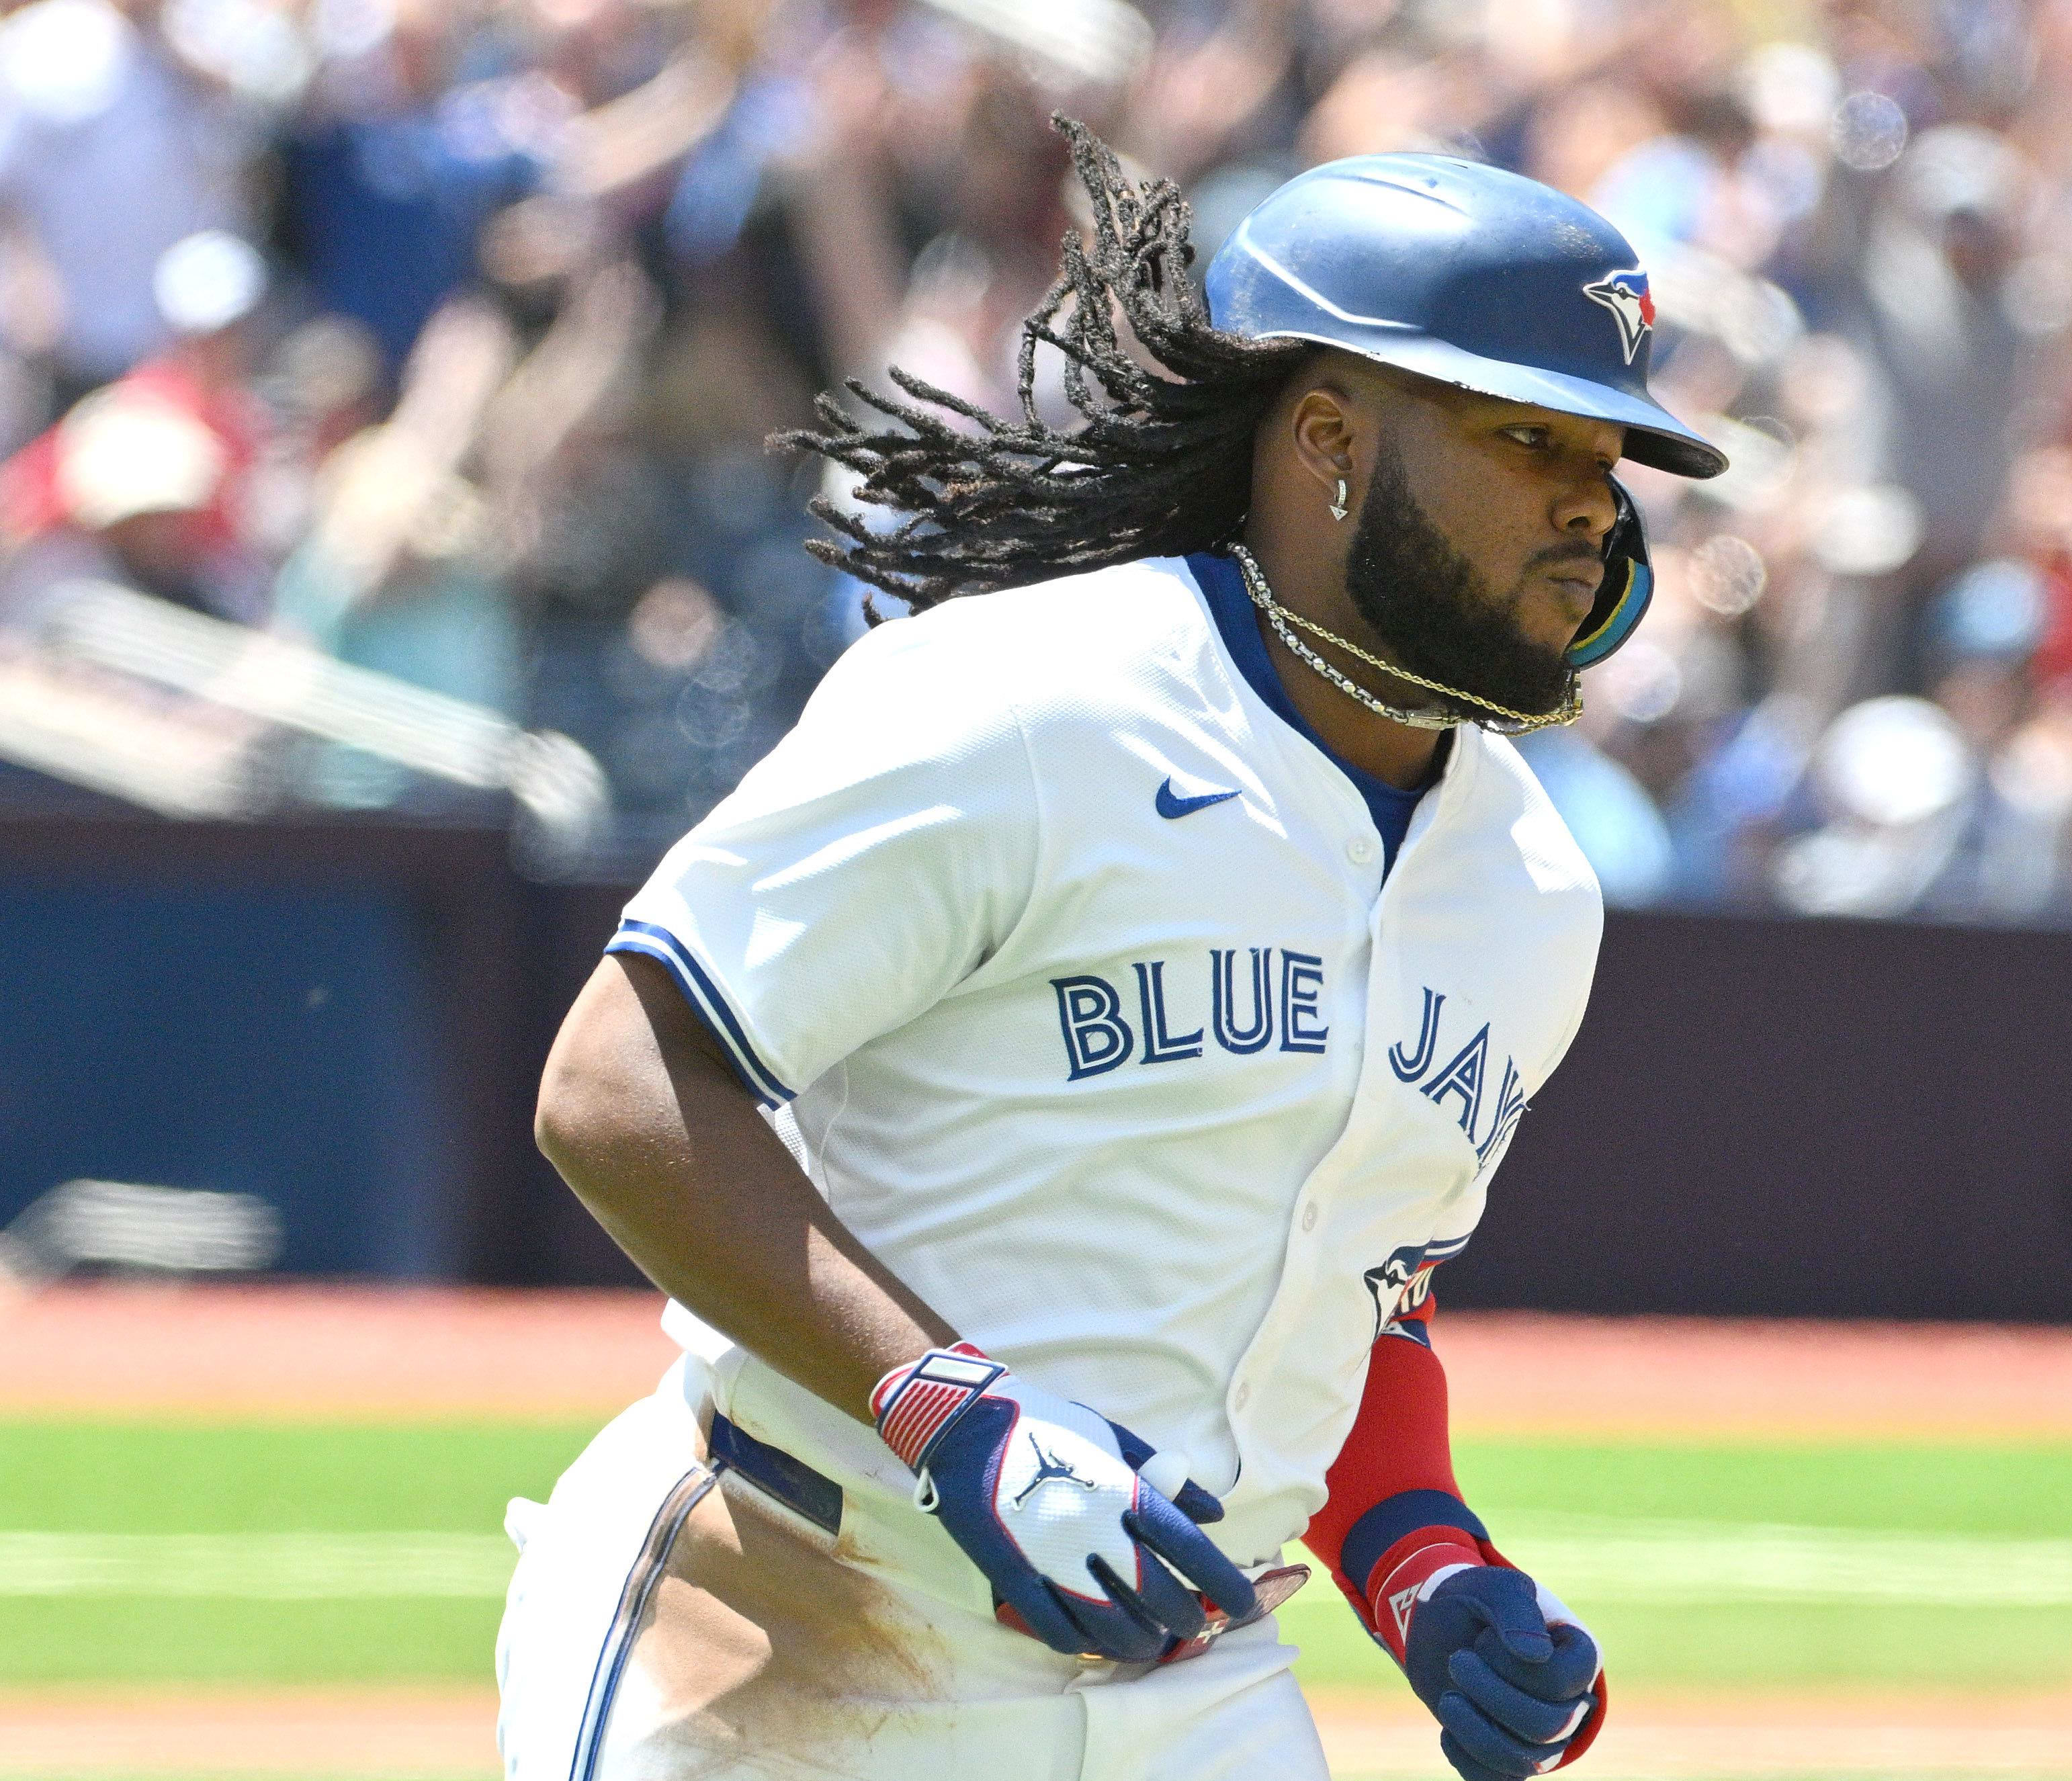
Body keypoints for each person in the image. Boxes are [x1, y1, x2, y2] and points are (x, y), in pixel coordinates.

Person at [503, 119, 1720, 1781]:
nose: (1591, 512)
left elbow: (1355, 1295)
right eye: (1527, 440)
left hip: (1190, 1682)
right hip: (786, 1600)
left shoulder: (1526, 885)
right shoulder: (1027, 702)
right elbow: (615, 1080)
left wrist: (1424, 1556)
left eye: (1609, 463)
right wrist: (949, 1408)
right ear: (1326, 437)